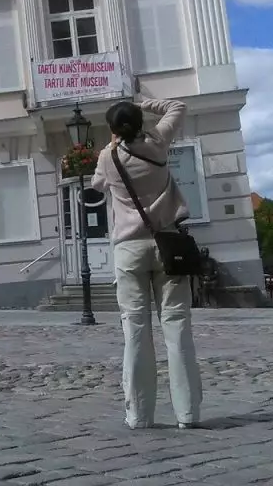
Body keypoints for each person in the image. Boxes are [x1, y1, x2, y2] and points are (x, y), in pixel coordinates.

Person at [91, 95, 202, 430]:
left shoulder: (108, 157)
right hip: (168, 245)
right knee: (177, 326)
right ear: (140, 123)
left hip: (129, 250)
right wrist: (141, 102)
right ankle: (188, 414)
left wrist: (113, 146)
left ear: (113, 129)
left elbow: (97, 186)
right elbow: (177, 107)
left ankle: (139, 415)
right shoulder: (158, 142)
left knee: (135, 330)